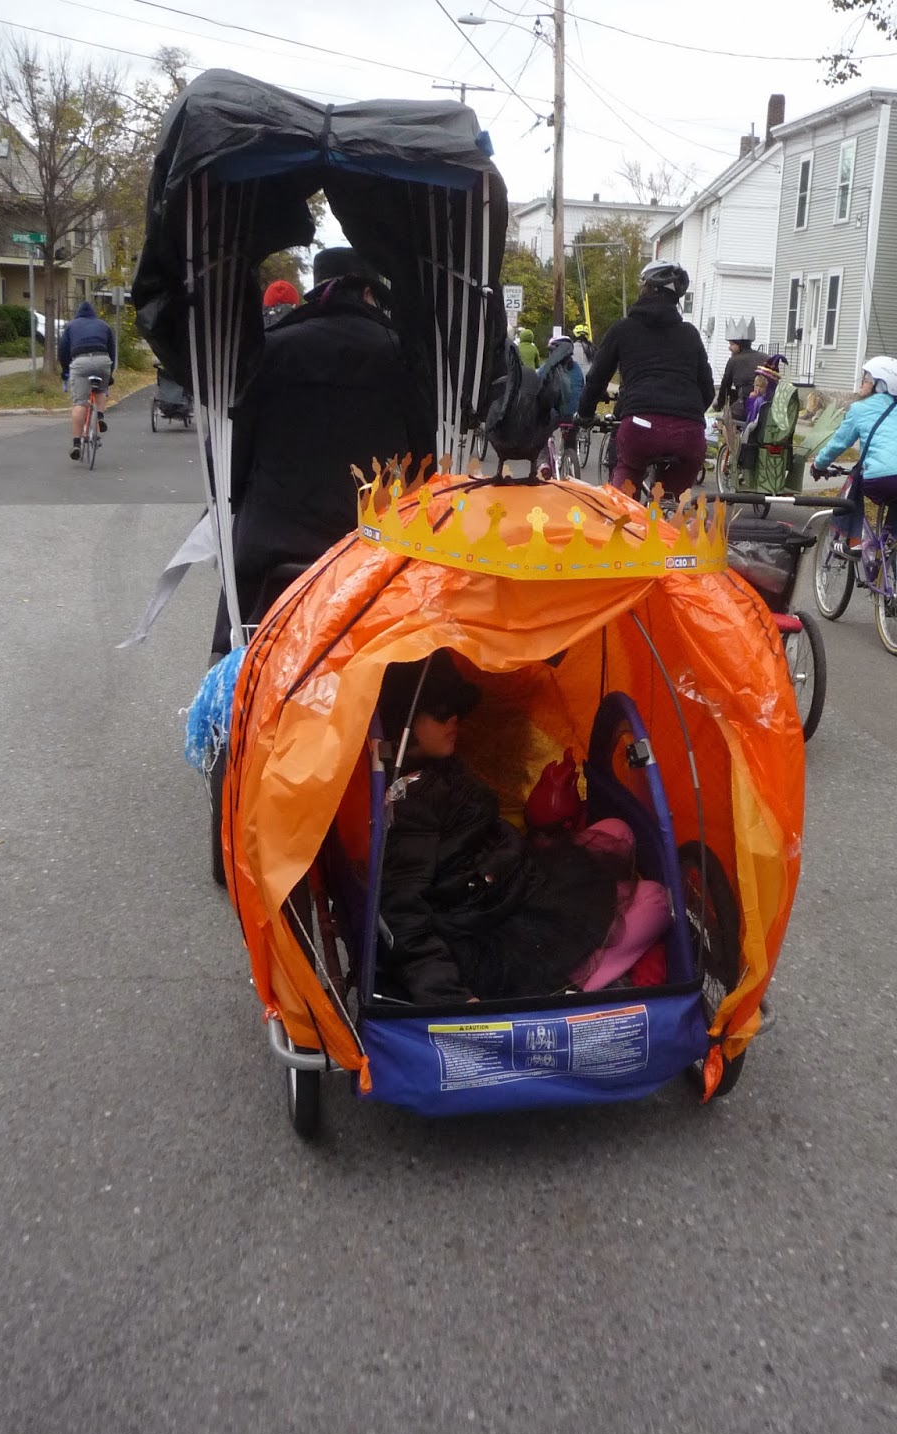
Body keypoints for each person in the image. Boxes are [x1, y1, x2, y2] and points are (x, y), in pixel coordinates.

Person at [377, 651, 672, 1008]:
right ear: (404, 720)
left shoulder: (438, 766)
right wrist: (448, 996)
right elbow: (401, 910)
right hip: (485, 922)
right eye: (440, 711)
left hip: (506, 880)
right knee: (656, 901)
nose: (453, 717)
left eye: (456, 706)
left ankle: (590, 940)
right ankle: (567, 987)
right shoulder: (408, 805)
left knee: (618, 831)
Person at [211, 253, 433, 653]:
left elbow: (231, 465)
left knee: (237, 632)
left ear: (315, 292)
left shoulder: (271, 348)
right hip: (376, 547)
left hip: (273, 549)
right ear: (369, 294)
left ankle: (226, 673)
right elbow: (425, 462)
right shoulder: (402, 355)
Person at [574, 261, 714, 500]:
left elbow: (596, 379)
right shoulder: (690, 334)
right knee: (672, 500)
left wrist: (585, 414)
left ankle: (624, 515)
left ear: (647, 289)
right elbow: (707, 389)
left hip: (640, 426)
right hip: (689, 433)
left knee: (626, 483)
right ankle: (668, 512)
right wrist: (684, 416)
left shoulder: (623, 329)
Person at [809, 356, 897, 559]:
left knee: (856, 477)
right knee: (893, 534)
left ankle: (854, 542)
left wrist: (818, 465)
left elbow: (838, 443)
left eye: (865, 380)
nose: (861, 384)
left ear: (879, 385)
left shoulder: (859, 409)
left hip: (881, 480)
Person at [58, 299, 116, 461]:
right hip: (103, 360)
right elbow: (112, 351)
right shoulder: (104, 325)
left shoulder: (71, 326)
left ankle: (77, 443)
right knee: (101, 389)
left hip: (81, 362)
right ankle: (100, 416)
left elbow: (62, 351)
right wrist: (110, 373)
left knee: (80, 403)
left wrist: (65, 370)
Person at [536, 334, 584, 475]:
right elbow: (582, 388)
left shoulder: (547, 367)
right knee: (571, 438)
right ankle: (571, 457)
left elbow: (536, 385)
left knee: (541, 430)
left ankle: (543, 462)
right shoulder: (577, 369)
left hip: (555, 414)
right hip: (575, 415)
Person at [713, 316, 764, 447]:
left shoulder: (734, 361)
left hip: (746, 403)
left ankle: (734, 451)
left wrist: (718, 405)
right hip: (765, 405)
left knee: (726, 421)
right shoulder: (765, 357)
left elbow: (725, 387)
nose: (729, 348)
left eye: (732, 344)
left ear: (740, 345)